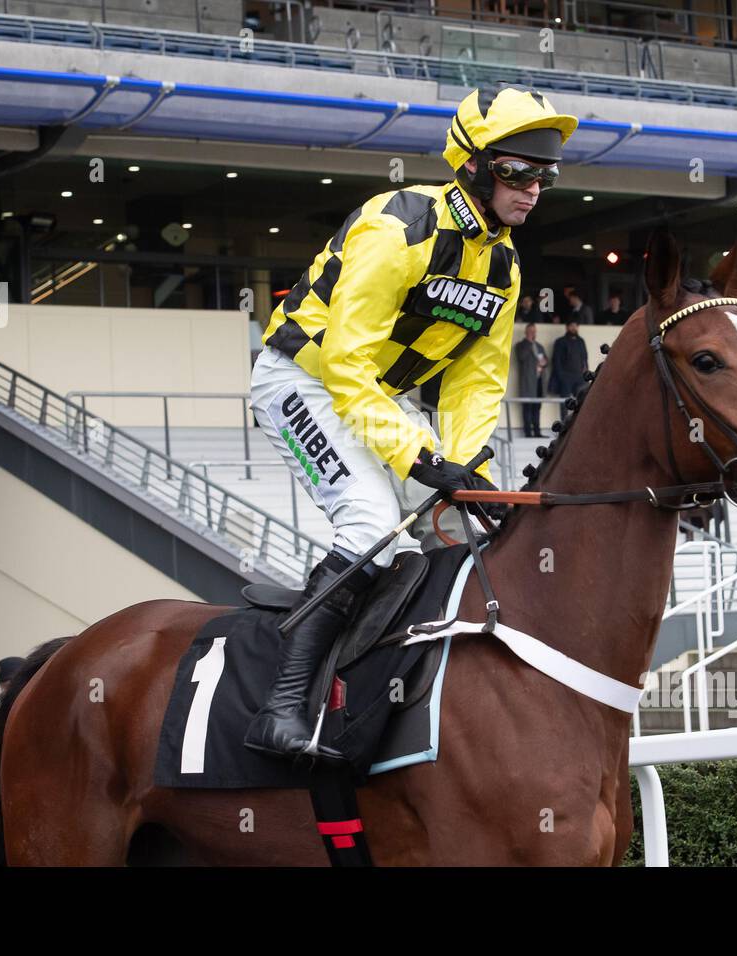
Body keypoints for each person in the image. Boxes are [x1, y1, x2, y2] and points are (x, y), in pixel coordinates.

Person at [246, 86, 576, 762]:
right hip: (304, 376)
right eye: (517, 170)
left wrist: (465, 470)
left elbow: (474, 383)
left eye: (545, 175)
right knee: (369, 525)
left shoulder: (505, 269)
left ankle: (374, 701)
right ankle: (278, 707)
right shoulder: (398, 223)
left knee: (427, 544)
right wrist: (423, 462)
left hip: (378, 397)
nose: (533, 187)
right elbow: (345, 361)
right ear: (475, 167)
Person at [513, 323, 548, 438]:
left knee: (537, 408)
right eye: (530, 331)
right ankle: (528, 433)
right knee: (527, 407)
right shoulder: (521, 345)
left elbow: (546, 360)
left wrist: (544, 362)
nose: (533, 333)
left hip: (539, 382)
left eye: (534, 331)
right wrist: (529, 343)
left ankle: (537, 432)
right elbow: (521, 357)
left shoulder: (539, 346)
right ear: (526, 332)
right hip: (527, 382)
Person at [550, 320, 589, 398]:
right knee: (565, 402)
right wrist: (561, 376)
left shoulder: (581, 341)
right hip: (565, 377)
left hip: (580, 377)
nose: (574, 328)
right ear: (567, 327)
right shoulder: (560, 341)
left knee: (581, 401)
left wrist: (585, 374)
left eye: (576, 326)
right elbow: (556, 360)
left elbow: (585, 358)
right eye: (572, 326)